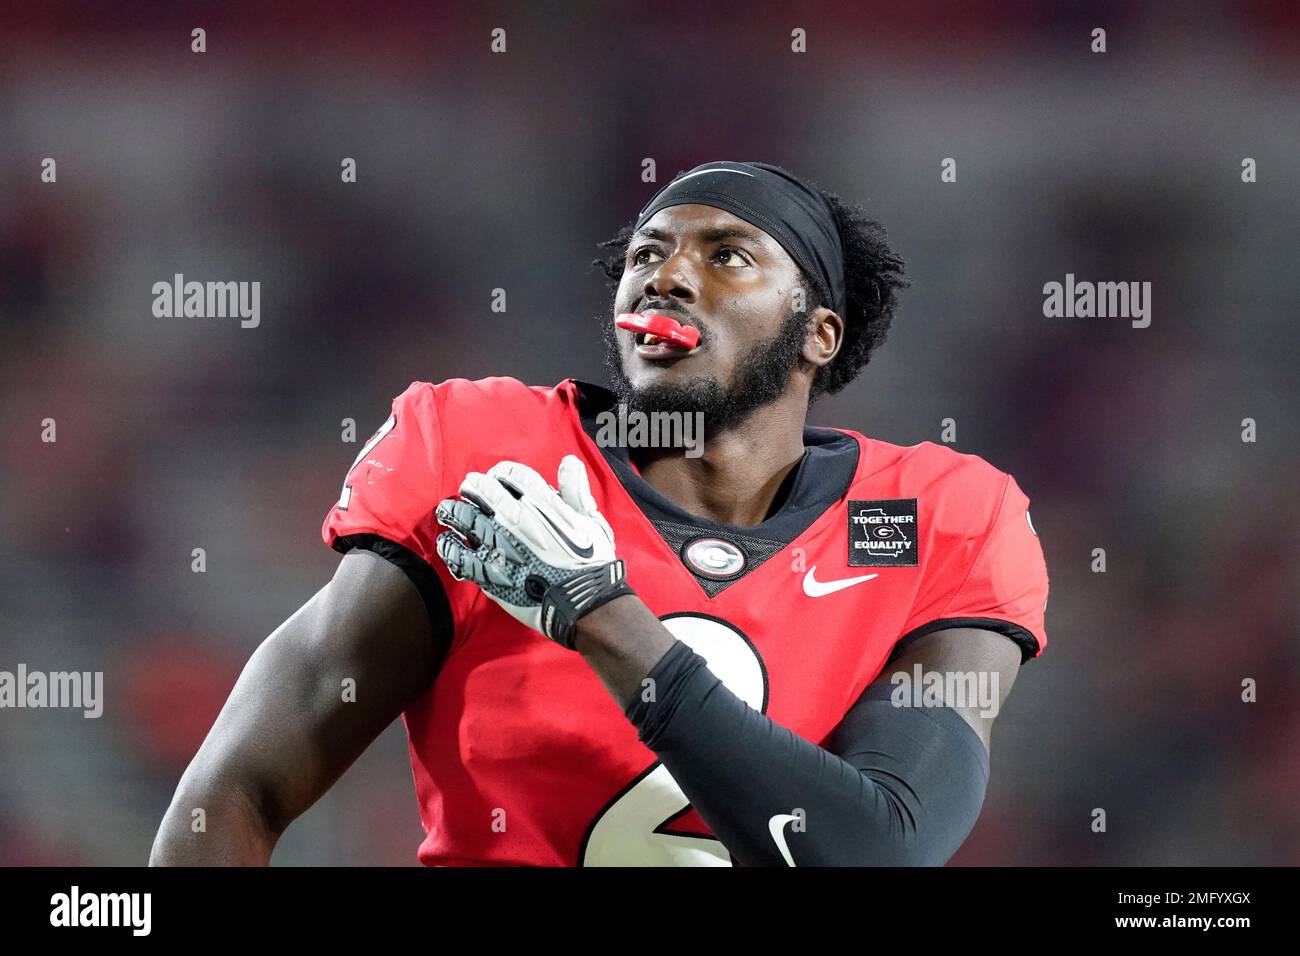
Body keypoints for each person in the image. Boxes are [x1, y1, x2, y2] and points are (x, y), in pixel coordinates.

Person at [151, 160, 1050, 866]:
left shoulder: (932, 517)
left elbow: (873, 850)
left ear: (820, 330)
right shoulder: (492, 461)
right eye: (646, 256)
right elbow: (233, 794)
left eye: (726, 254)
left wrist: (604, 615)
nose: (665, 278)